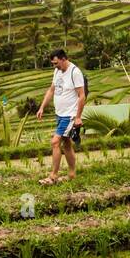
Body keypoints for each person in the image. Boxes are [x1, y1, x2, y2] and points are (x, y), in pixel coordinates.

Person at [35, 48, 85, 185]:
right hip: (60, 114)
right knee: (67, 144)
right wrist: (42, 107)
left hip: (70, 115)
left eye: (56, 63)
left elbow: (82, 96)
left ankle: (53, 176)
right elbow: (52, 90)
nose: (54, 66)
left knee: (55, 142)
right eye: (53, 64)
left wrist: (78, 117)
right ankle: (72, 173)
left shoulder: (75, 72)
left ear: (63, 59)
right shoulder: (57, 71)